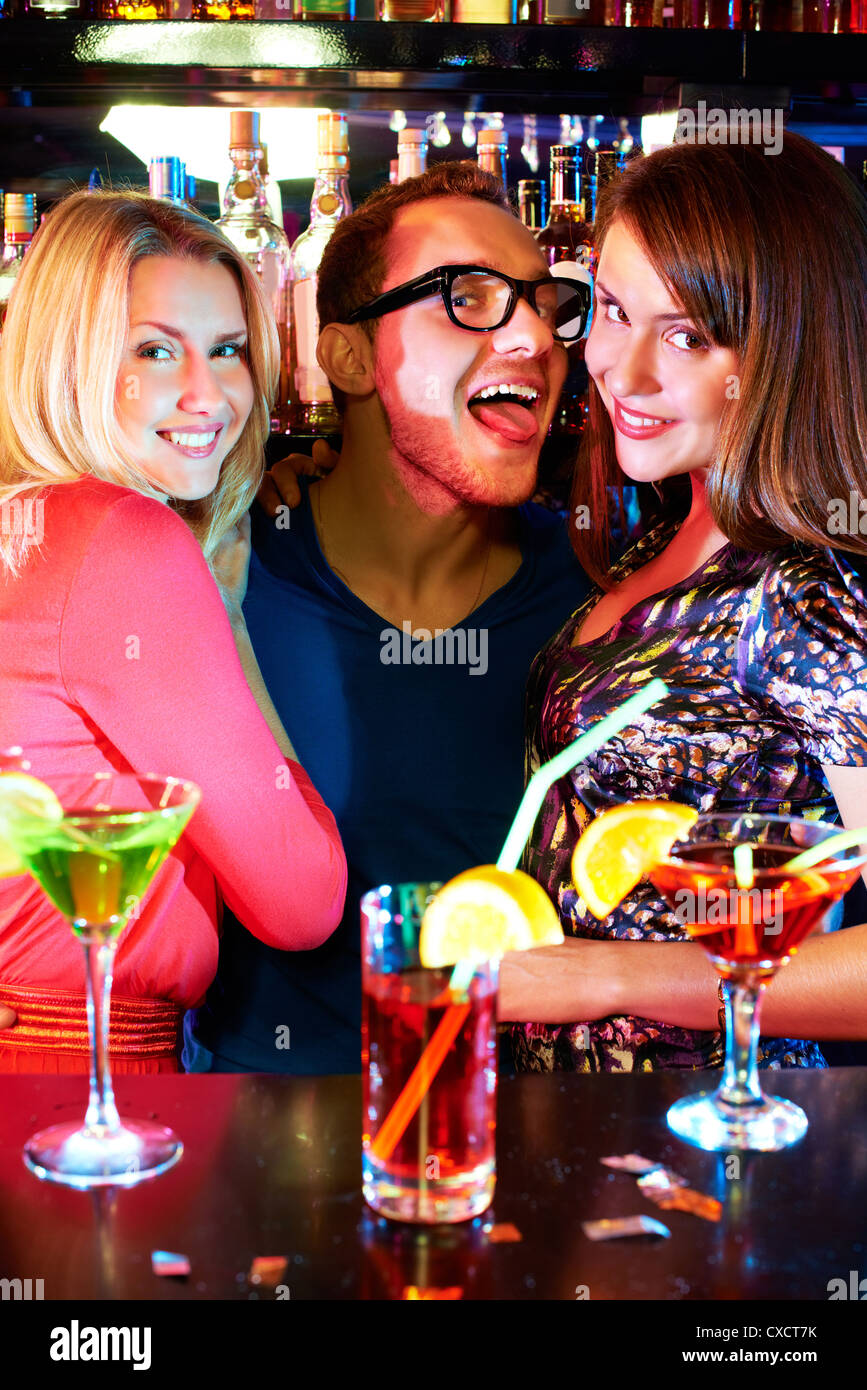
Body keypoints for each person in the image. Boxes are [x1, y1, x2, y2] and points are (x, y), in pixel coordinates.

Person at [183, 162, 593, 1075]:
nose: (533, 333)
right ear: (347, 357)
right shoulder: (215, 580)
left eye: (546, 302)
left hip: (522, 1145)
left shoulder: (606, 610)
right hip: (258, 1153)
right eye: (469, 298)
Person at [501, 130, 867, 1073]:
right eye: (615, 312)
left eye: (687, 336)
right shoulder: (659, 538)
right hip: (580, 1143)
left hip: (714, 1150)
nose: (623, 374)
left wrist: (608, 977)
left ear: (785, 350)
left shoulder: (810, 596)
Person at [0, 190, 347, 1073]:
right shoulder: (125, 540)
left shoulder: (24, 527)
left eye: (228, 350)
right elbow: (302, 900)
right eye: (155, 350)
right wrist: (226, 618)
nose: (210, 395)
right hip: (75, 1084)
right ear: (68, 362)